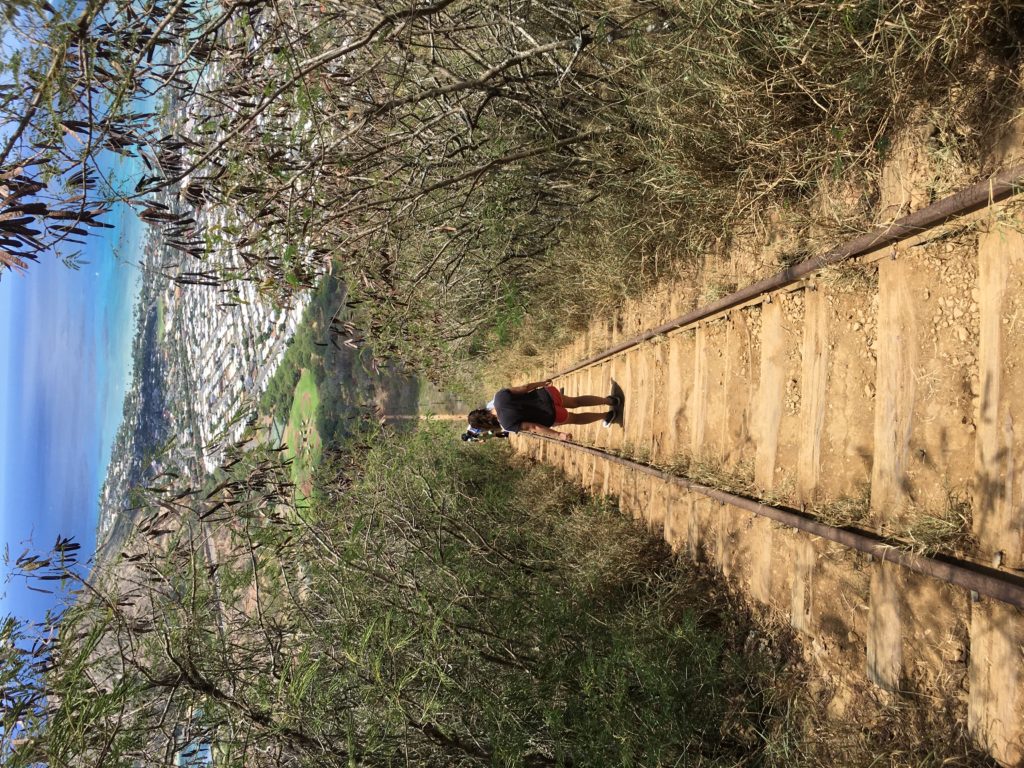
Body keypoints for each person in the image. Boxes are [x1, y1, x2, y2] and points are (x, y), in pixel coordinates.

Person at [468, 379, 620, 442]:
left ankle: (606, 415)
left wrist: (558, 434)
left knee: (575, 418)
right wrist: (542, 383)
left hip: (551, 415)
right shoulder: (499, 397)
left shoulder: (507, 425)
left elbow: (534, 427)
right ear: (482, 410)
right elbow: (525, 388)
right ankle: (610, 400)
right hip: (547, 395)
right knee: (576, 401)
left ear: (485, 426)